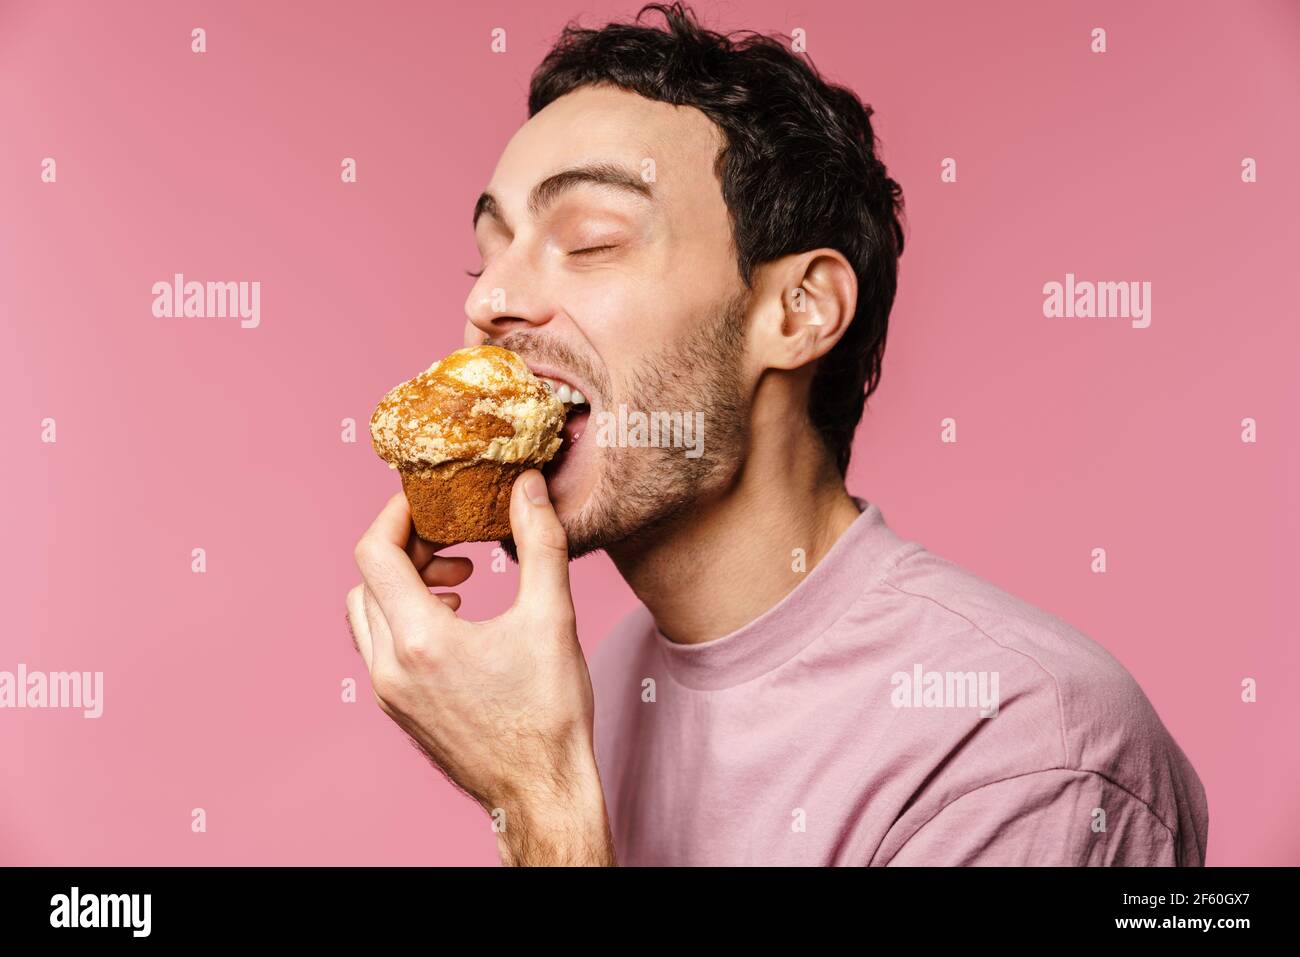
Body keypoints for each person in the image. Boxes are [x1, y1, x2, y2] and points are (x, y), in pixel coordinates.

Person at [346, 3, 1208, 866]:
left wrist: (538, 794)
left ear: (799, 311)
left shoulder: (1025, 756)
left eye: (589, 239)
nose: (488, 300)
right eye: (488, 252)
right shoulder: (605, 679)